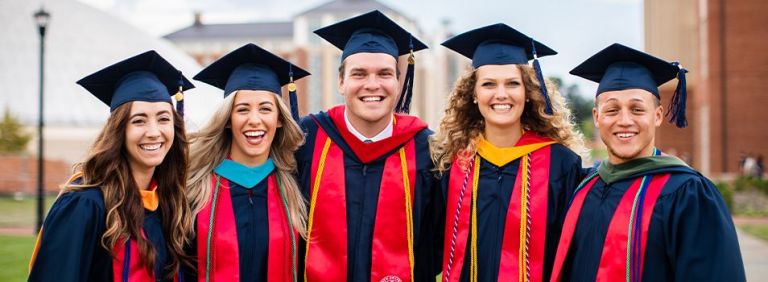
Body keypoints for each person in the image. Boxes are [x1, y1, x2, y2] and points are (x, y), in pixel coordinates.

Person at [550, 43, 745, 281]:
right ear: (597, 117)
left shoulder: (688, 195)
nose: (624, 120)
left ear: (658, 115)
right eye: (612, 110)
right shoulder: (583, 187)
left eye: (637, 109)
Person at [295, 10, 442, 281]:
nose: (372, 85)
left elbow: (437, 244)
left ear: (399, 82)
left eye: (384, 74)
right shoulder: (307, 140)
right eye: (359, 74)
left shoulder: (428, 151)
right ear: (341, 82)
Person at [432, 23, 586, 282]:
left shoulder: (561, 165)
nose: (501, 94)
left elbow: (572, 255)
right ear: (474, 94)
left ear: (527, 93)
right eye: (489, 84)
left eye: (512, 84)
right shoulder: (453, 165)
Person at [28, 50, 195, 281]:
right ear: (119, 130)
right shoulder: (85, 203)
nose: (154, 132)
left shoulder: (170, 203)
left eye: (163, 118)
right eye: (139, 120)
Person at [185, 43, 310, 281]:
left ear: (280, 119)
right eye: (242, 110)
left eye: (265, 109)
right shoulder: (195, 190)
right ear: (228, 120)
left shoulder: (296, 189)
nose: (254, 120)